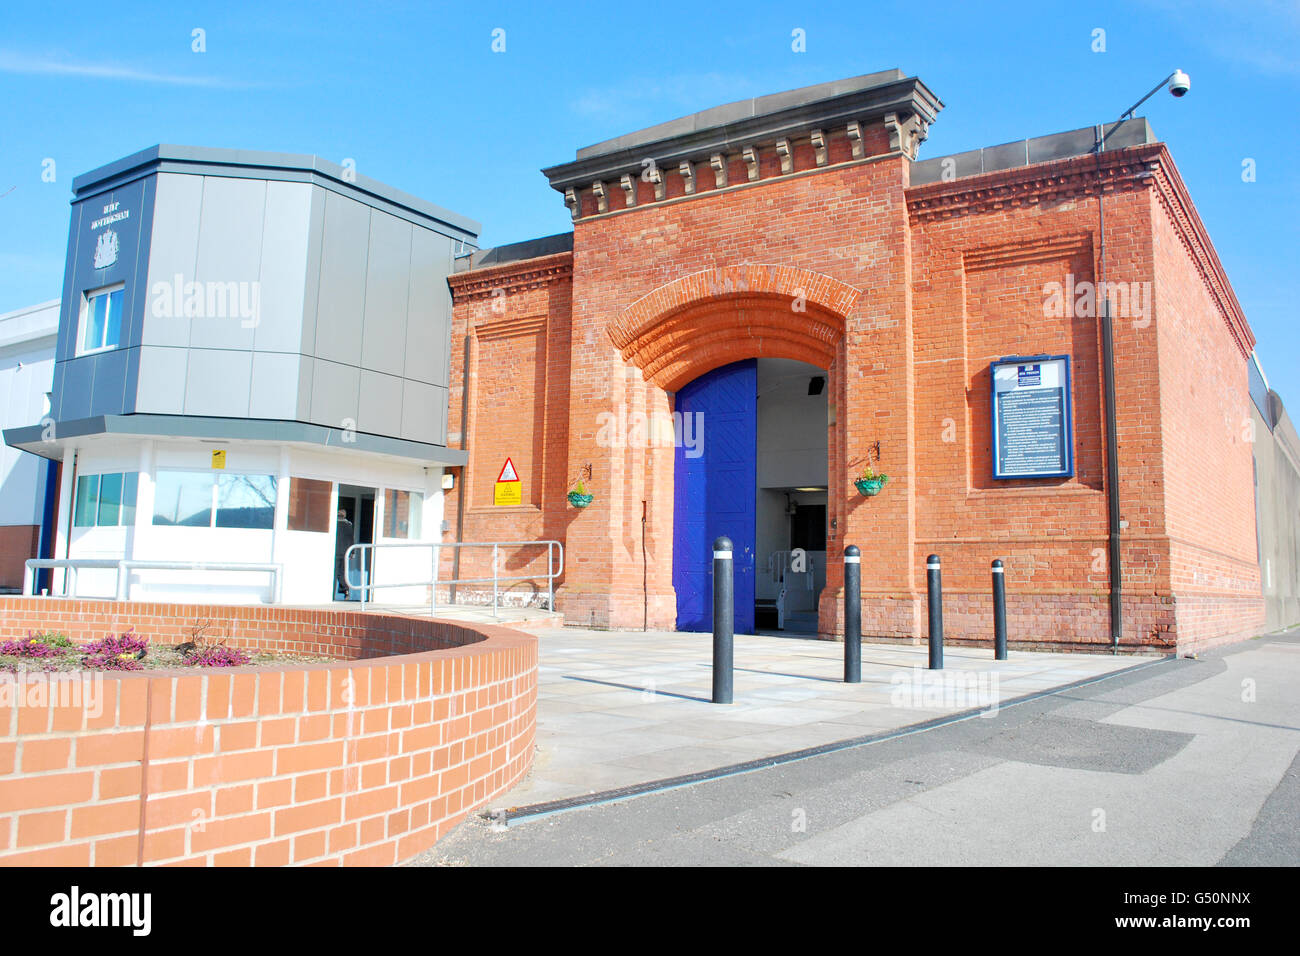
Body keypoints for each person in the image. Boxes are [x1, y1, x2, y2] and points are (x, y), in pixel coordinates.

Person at [335, 508, 354, 599]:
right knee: (342, 572)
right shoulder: (349, 525)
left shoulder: (334, 524)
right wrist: (352, 552)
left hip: (336, 551)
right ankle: (346, 590)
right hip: (345, 553)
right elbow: (351, 539)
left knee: (335, 572)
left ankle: (332, 593)